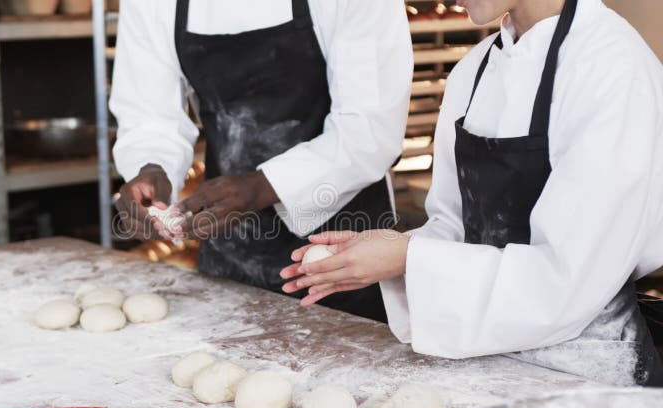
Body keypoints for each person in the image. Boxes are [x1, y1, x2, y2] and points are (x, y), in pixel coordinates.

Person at [281, 0, 663, 386]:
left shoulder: (613, 69)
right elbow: (454, 225)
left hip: (592, 376)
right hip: (485, 365)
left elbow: (571, 278)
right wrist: (393, 252)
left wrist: (409, 257)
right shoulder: (474, 71)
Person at [109, 0, 413, 321]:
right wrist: (152, 166)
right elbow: (150, 117)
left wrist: (262, 187)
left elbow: (369, 128)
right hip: (228, 251)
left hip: (346, 255)